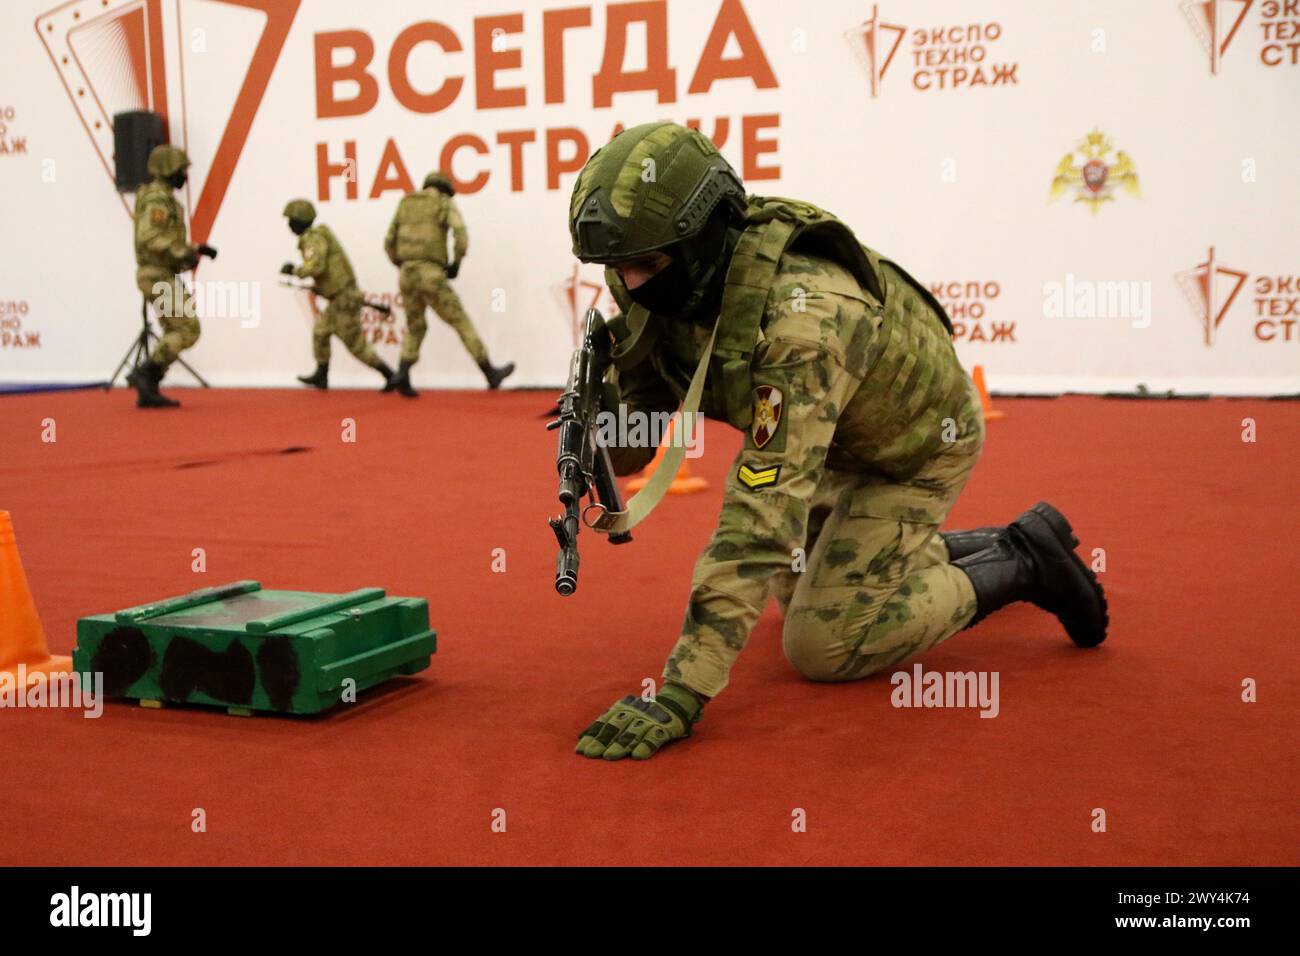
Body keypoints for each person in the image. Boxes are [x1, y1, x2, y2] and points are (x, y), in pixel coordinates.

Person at [568, 123, 1108, 761]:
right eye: (615, 269)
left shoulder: (805, 321)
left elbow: (759, 511)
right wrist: (602, 423)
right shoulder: (662, 275)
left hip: (909, 453)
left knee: (823, 647)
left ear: (703, 236)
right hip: (828, 444)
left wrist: (680, 692)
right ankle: (929, 552)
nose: (629, 286)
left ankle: (1024, 561)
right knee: (799, 588)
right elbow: (646, 431)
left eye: (645, 266)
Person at [382, 171, 514, 397]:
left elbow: (388, 241)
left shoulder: (406, 204)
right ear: (444, 190)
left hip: (406, 274)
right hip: (431, 273)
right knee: (460, 321)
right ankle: (489, 371)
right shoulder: (443, 203)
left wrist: (401, 263)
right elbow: (461, 234)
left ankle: (403, 373)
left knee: (415, 326)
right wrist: (456, 263)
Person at [127, 145, 215, 408]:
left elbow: (160, 239)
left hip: (161, 273)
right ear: (168, 170)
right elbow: (150, 237)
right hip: (156, 274)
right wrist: (185, 249)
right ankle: (146, 373)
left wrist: (191, 252)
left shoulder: (162, 198)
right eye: (181, 170)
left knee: (176, 329)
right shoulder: (157, 199)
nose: (184, 175)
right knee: (187, 329)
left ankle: (148, 386)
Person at [282, 200, 394, 389]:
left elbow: (317, 266)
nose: (289, 225)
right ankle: (321, 374)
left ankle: (391, 375)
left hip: (344, 299)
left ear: (299, 221)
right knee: (320, 332)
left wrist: (295, 271)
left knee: (356, 346)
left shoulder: (313, 238)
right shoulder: (317, 236)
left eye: (291, 220)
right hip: (339, 298)